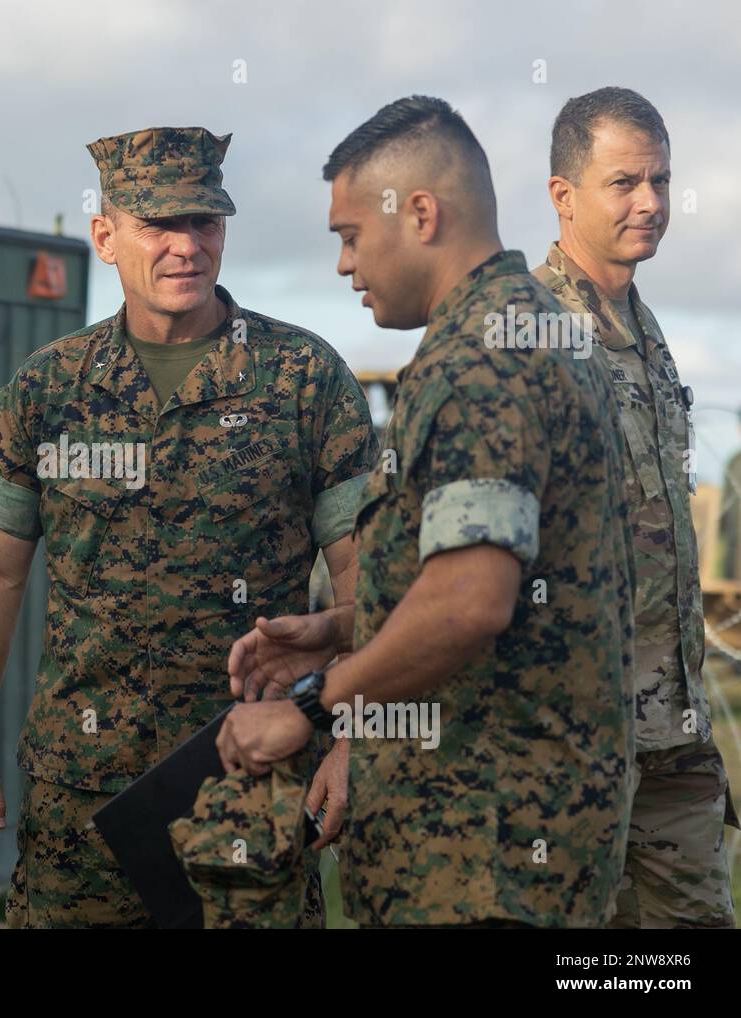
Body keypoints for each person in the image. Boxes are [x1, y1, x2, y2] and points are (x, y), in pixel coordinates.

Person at [0, 126, 375, 927]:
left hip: (251, 778)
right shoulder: (47, 391)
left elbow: (364, 578)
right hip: (83, 794)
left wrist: (349, 745)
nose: (186, 247)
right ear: (105, 236)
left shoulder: (304, 380)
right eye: (158, 225)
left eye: (204, 223)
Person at [220, 96, 637, 927]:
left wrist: (309, 708)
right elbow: (511, 579)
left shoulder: (483, 358)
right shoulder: (537, 329)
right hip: (506, 834)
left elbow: (470, 603)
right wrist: (346, 625)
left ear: (420, 214)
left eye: (348, 235)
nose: (344, 264)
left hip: (480, 852)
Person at [533, 86, 737, 928]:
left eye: (659, 180)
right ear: (564, 193)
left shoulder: (647, 333)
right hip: (573, 749)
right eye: (623, 182)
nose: (650, 202)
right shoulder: (526, 335)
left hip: (675, 739)